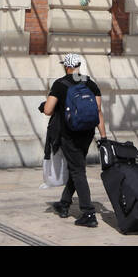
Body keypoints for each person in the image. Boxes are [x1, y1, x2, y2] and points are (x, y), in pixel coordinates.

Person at [40, 54, 106, 227]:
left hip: (68, 134)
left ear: (66, 66)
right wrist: (104, 137)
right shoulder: (90, 83)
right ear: (78, 65)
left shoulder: (60, 84)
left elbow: (47, 110)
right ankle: (64, 203)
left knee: (77, 171)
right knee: (76, 167)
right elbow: (98, 111)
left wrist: (43, 106)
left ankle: (88, 213)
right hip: (87, 133)